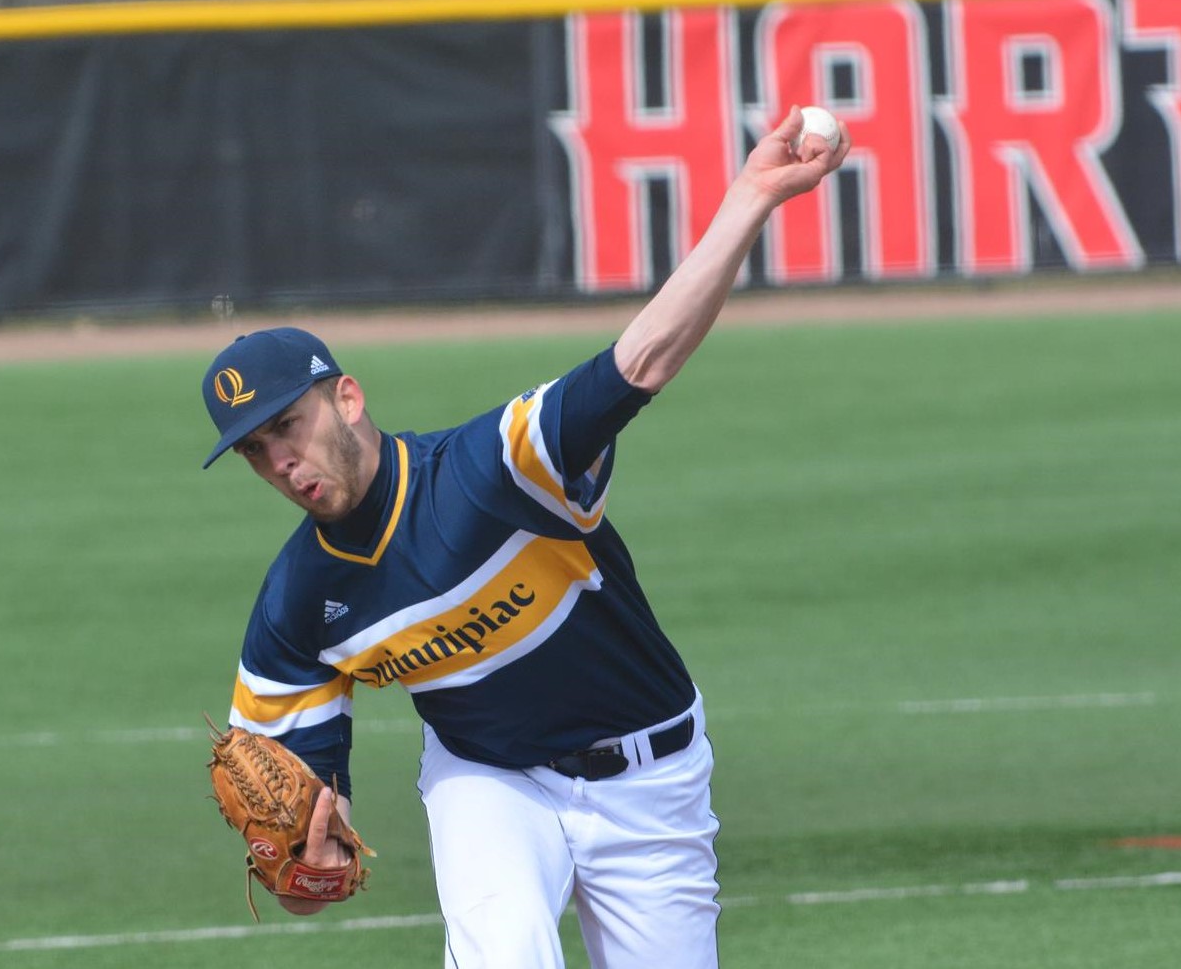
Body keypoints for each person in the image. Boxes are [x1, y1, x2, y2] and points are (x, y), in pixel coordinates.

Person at [201, 108, 848, 966]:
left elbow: (640, 361)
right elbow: (311, 826)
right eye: (255, 449)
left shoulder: (491, 470)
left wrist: (752, 197)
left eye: (287, 425)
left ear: (347, 397)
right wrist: (307, 860)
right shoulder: (297, 605)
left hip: (651, 777)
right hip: (489, 781)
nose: (280, 460)